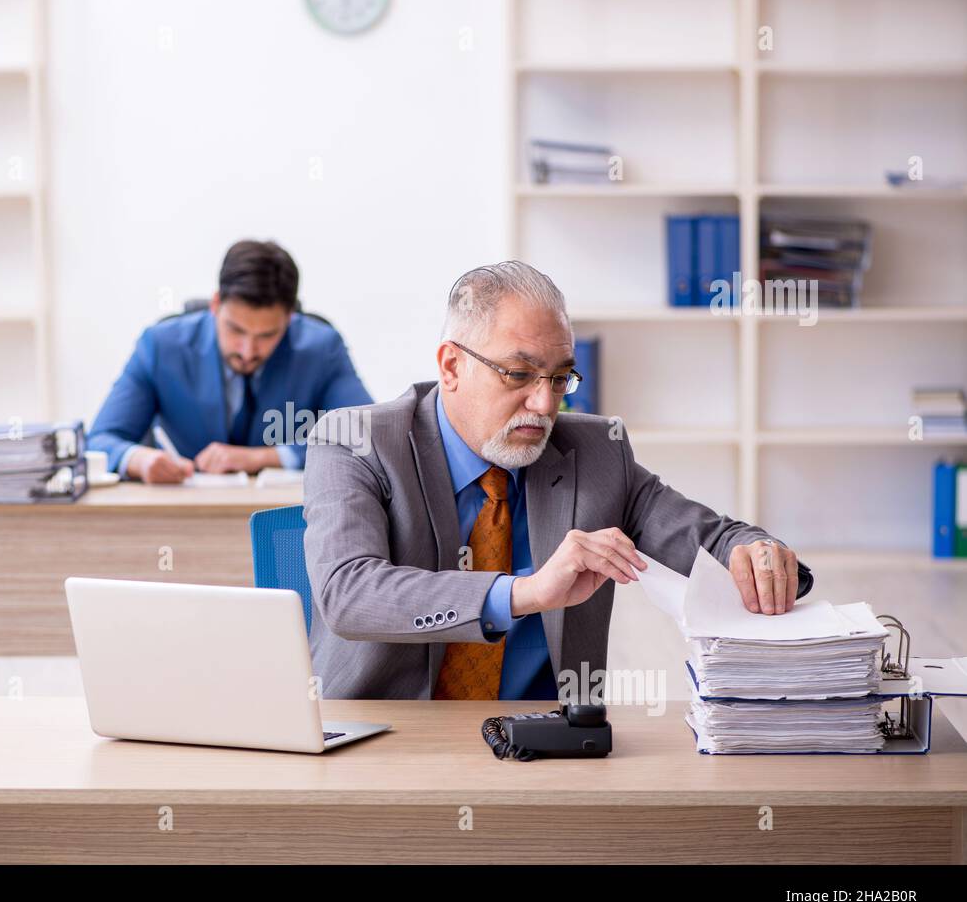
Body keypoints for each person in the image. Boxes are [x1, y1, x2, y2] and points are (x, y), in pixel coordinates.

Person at [303, 260, 813, 701]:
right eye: (519, 374)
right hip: (383, 738)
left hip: (544, 748)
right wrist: (524, 593)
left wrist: (756, 550)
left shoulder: (594, 452)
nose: (546, 404)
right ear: (452, 365)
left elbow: (708, 539)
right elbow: (349, 593)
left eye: (560, 377)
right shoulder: (355, 442)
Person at [87, 240, 373, 483]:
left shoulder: (322, 349)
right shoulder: (160, 346)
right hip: (186, 516)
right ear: (215, 305)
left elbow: (364, 434)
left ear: (290, 318)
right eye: (235, 330)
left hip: (288, 520)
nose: (248, 351)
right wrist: (139, 459)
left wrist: (261, 458)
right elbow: (100, 440)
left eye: (267, 335)